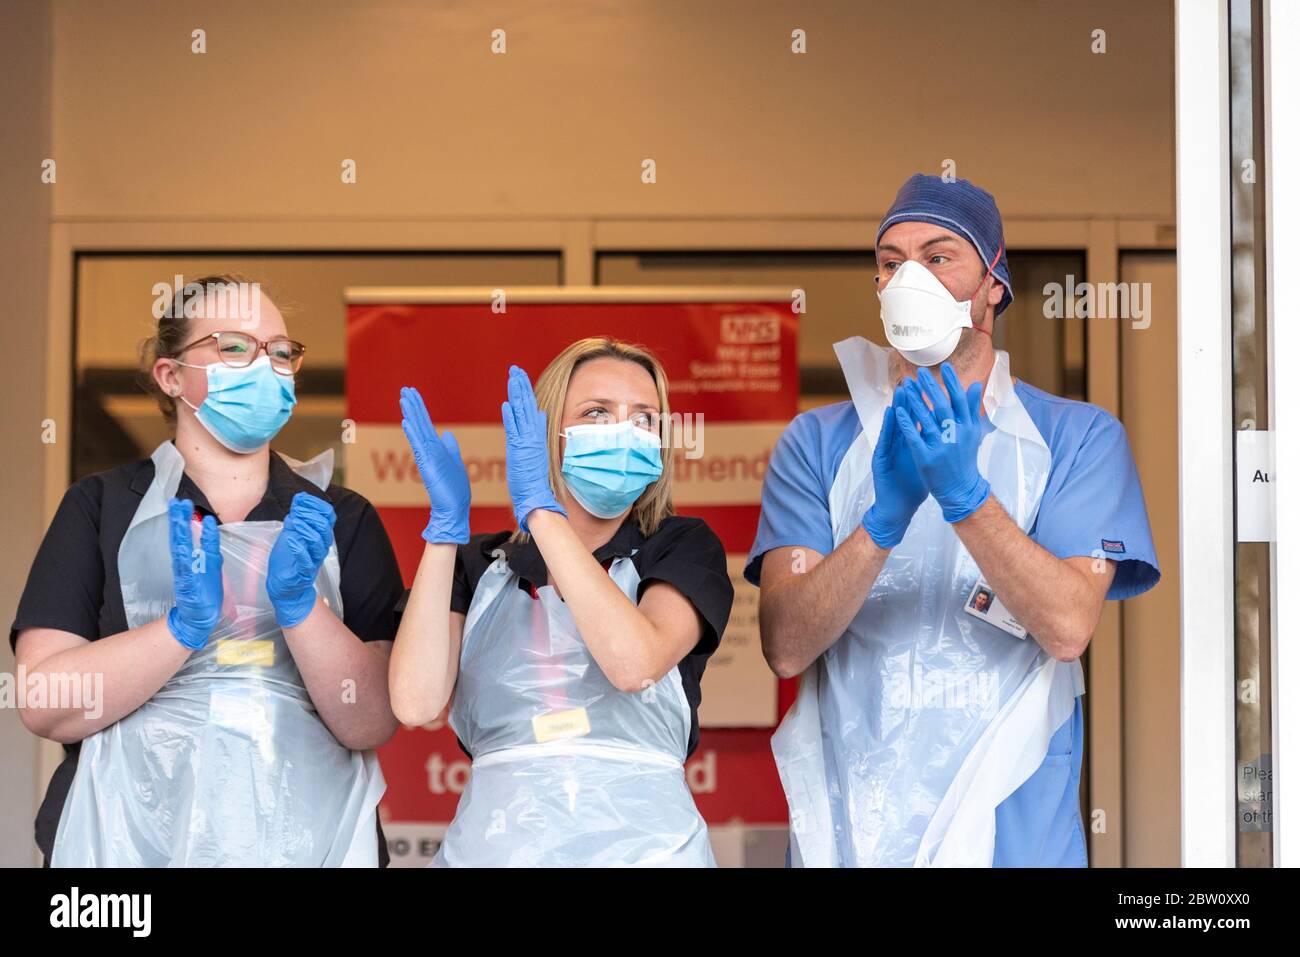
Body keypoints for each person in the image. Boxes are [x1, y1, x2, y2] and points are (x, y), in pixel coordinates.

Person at [747, 174, 1161, 867]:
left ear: (994, 282)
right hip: (851, 832)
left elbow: (1067, 626)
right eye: (891, 262)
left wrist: (968, 499)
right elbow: (786, 645)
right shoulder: (816, 443)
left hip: (1013, 831)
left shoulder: (1076, 438)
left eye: (939, 257)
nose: (910, 277)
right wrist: (882, 522)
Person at [11, 275, 403, 866]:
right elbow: (46, 701)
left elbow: (370, 719)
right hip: (125, 847)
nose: (265, 366)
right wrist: (180, 630)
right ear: (172, 377)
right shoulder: (102, 508)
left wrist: (301, 609)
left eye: (279, 351)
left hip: (308, 845)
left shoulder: (337, 519)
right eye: (235, 347)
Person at [389, 338, 733, 866]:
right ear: (549, 435)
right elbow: (415, 702)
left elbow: (634, 664)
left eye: (644, 419)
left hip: (646, 853)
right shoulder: (482, 564)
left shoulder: (682, 544)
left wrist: (541, 513)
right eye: (597, 412)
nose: (623, 431)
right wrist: (443, 534)